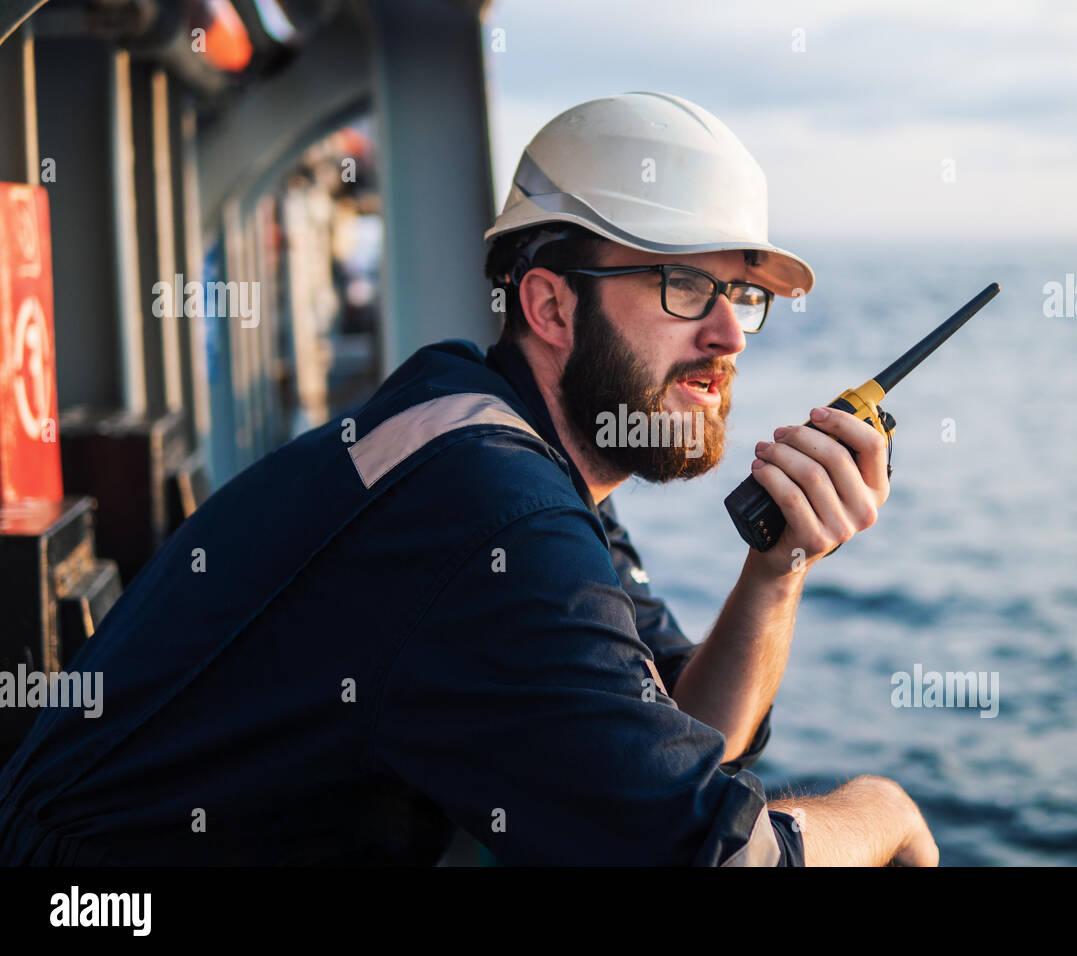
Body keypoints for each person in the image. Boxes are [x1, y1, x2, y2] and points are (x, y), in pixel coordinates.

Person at [0, 92, 937, 867]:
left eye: (740, 295)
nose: (729, 335)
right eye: (683, 287)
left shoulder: (500, 441)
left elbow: (686, 729)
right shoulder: (489, 506)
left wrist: (777, 571)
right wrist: (882, 812)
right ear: (549, 303)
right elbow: (699, 856)